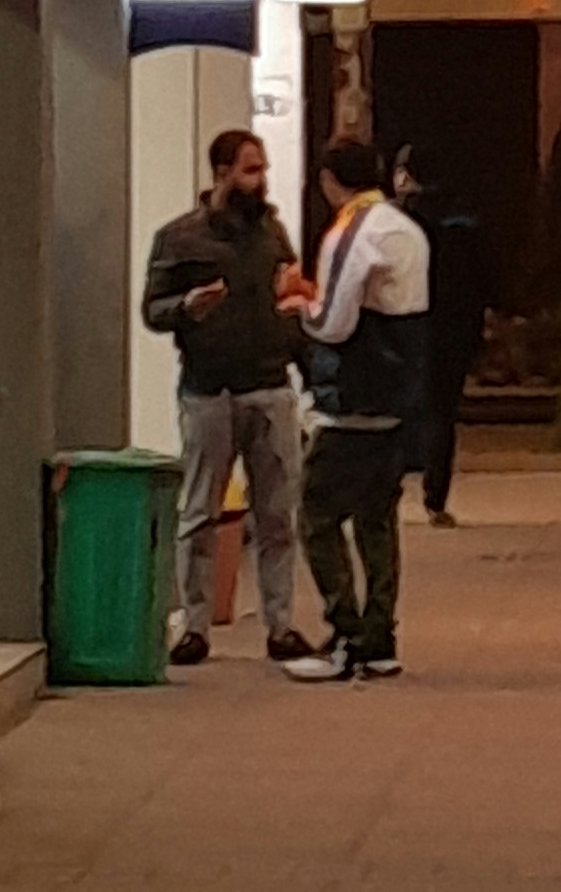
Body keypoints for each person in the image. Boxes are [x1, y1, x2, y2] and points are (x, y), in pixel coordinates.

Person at [140, 118, 318, 664]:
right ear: (221, 173)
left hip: (269, 387)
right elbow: (152, 310)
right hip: (208, 391)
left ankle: (280, 624)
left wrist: (304, 352)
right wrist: (186, 307)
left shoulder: (272, 233)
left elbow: (288, 300)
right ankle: (194, 626)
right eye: (250, 170)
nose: (260, 181)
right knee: (200, 513)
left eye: (262, 170)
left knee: (277, 514)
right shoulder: (179, 238)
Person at [282, 140, 428, 682]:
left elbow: (334, 324)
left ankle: (346, 633)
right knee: (377, 519)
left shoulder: (353, 231)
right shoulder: (406, 228)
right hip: (399, 397)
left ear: (328, 180)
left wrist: (300, 301)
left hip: (353, 398)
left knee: (316, 515)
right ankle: (380, 637)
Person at [392, 149, 491, 526]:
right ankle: (436, 497)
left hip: (408, 326)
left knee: (397, 409)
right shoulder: (463, 219)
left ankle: (388, 488)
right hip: (454, 329)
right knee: (442, 413)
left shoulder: (400, 220)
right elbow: (483, 280)